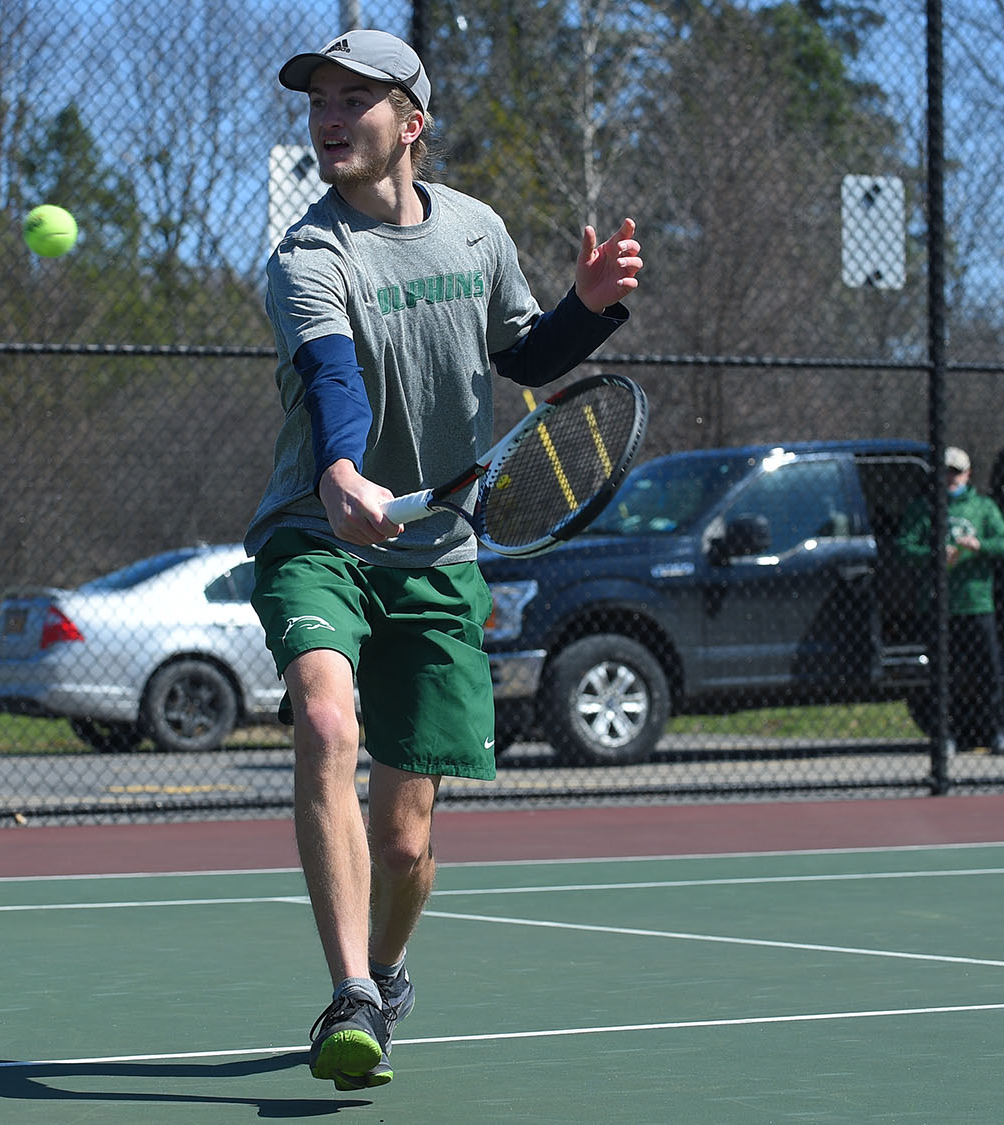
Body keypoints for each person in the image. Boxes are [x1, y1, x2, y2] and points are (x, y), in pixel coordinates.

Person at [244, 29, 643, 1090]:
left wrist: (587, 310)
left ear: (411, 123)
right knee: (327, 723)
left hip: (434, 558)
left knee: (407, 847)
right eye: (318, 102)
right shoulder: (307, 256)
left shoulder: (475, 231)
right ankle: (347, 993)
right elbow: (332, 376)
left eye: (354, 100)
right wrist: (340, 472)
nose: (329, 118)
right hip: (317, 536)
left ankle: (384, 971)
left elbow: (522, 355)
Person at [897, 446, 1004, 756]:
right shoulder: (923, 509)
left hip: (977, 603)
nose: (951, 478)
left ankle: (998, 733)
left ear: (968, 474)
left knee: (988, 672)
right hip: (939, 606)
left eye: (956, 472)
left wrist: (979, 545)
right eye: (945, 472)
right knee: (943, 676)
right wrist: (935, 555)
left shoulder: (983, 507)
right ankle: (946, 736)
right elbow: (904, 548)